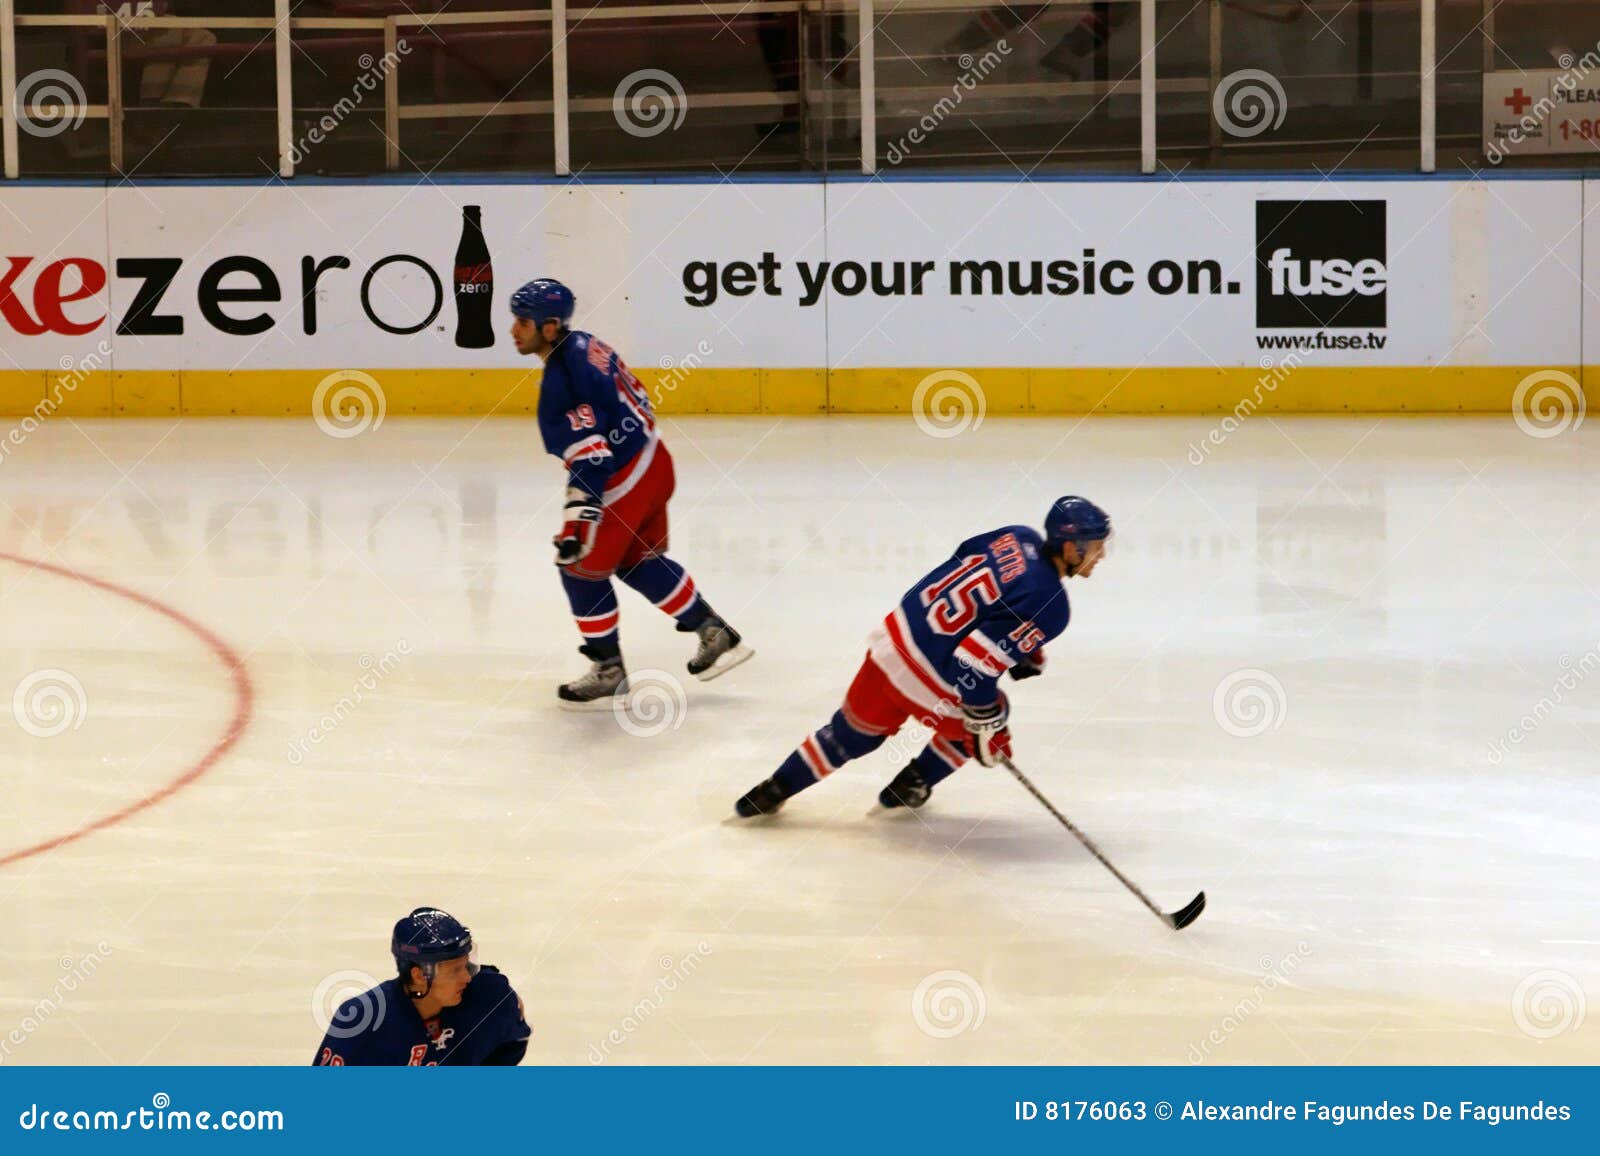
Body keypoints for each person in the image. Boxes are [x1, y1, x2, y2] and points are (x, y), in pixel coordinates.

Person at [734, 497, 1110, 817]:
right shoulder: (1053, 606)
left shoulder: (1015, 535)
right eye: (1094, 545)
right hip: (929, 681)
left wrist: (1020, 642)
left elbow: (962, 562)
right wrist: (989, 726)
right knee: (988, 718)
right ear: (1070, 547)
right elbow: (973, 665)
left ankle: (773, 789)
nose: (1101, 554)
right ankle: (913, 783)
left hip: (893, 641)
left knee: (849, 736)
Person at [510, 278, 752, 706]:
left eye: (524, 322)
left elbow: (593, 458)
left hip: (625, 481)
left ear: (549, 328)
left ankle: (608, 667)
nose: (514, 330)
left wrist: (577, 526)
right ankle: (714, 633)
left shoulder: (560, 383)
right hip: (654, 460)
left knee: (580, 570)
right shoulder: (587, 344)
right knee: (638, 562)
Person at [312, 908, 531, 1066]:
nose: (467, 977)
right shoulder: (363, 1021)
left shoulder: (490, 996)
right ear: (419, 976)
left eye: (467, 965)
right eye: (455, 970)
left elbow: (513, 1041)